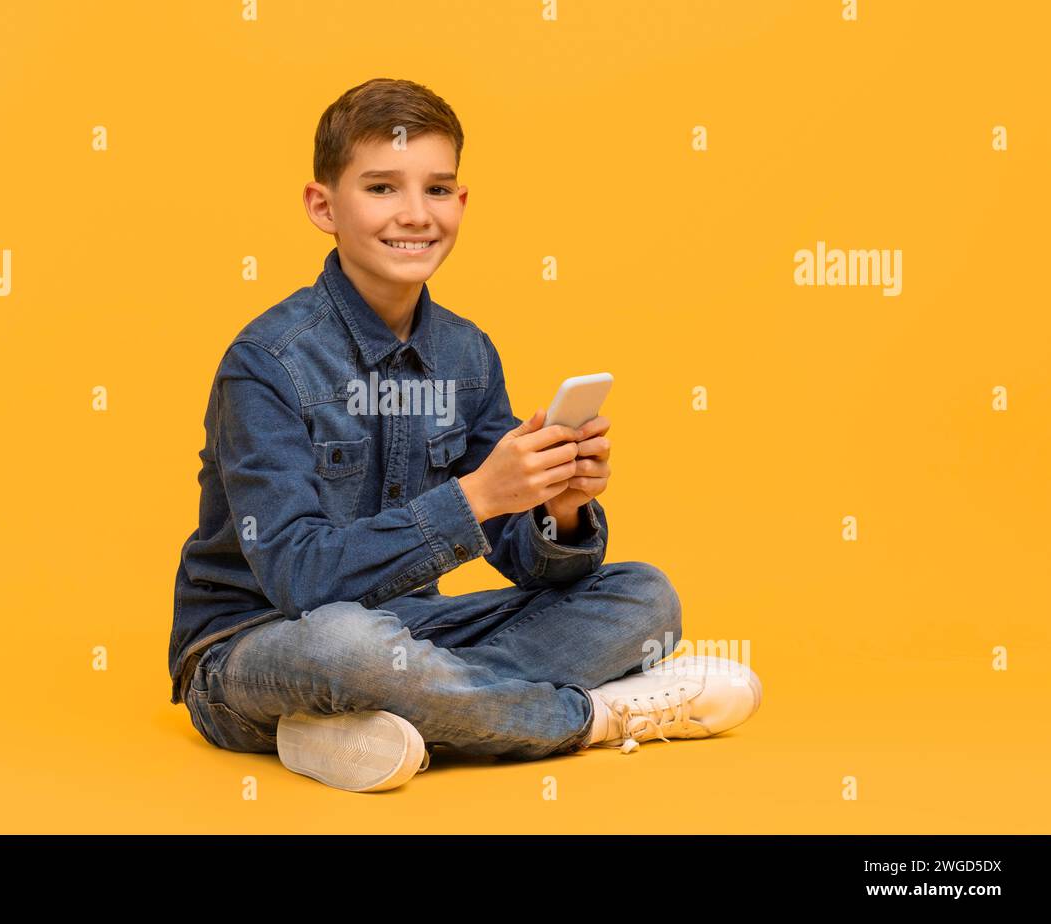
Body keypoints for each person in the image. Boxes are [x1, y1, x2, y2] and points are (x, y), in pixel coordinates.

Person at [168, 77, 761, 792]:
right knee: (345, 645)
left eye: (438, 190)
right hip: (256, 648)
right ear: (323, 206)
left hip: (415, 633)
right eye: (382, 188)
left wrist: (560, 505)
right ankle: (588, 719)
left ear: (462, 203)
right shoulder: (265, 364)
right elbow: (300, 580)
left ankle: (384, 725)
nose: (415, 215)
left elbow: (534, 567)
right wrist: (478, 496)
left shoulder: (467, 355)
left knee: (645, 597)